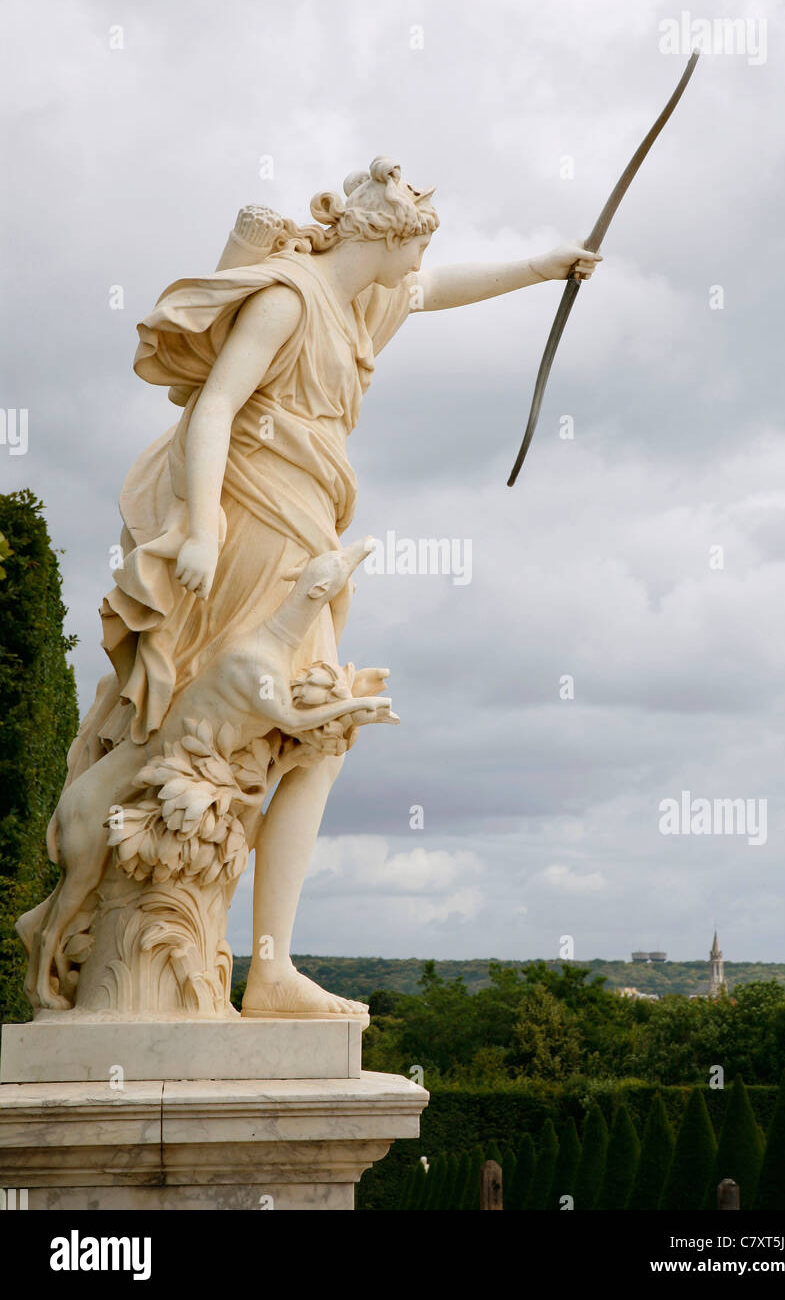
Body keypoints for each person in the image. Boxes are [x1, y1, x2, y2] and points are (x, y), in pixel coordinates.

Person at [68, 156, 601, 1018]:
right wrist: (201, 528)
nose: (420, 266)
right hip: (250, 513)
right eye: (418, 245)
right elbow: (214, 407)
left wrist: (543, 268)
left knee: (317, 733)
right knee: (230, 724)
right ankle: (156, 954)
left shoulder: (367, 302)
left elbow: (439, 291)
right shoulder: (288, 297)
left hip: (311, 514)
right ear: (391, 239)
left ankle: (270, 967)